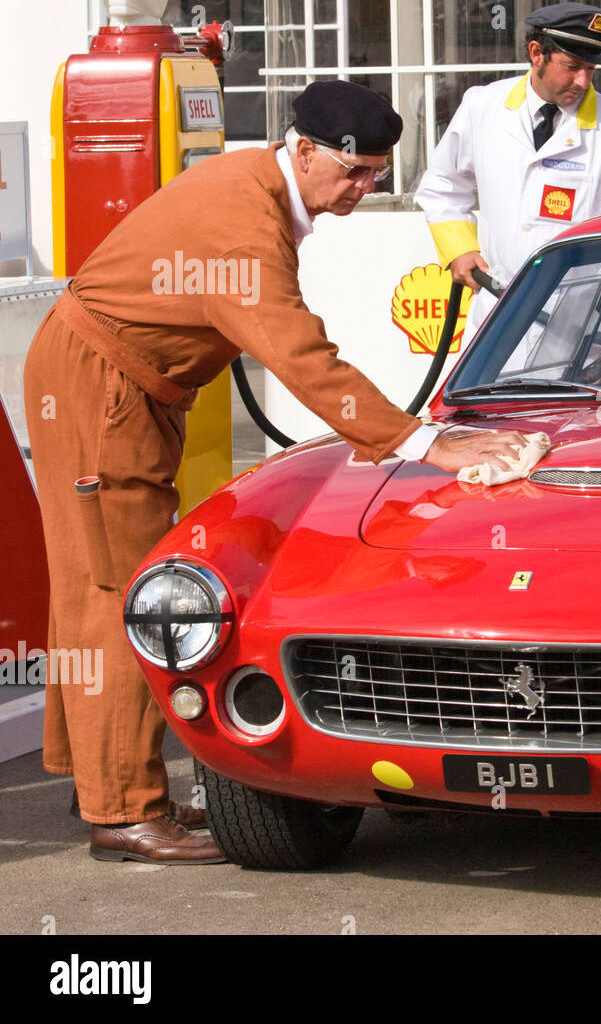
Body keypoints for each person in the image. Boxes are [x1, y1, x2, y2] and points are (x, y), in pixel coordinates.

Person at [24, 80, 528, 865]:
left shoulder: (253, 189)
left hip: (114, 379)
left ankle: (104, 780)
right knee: (124, 591)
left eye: (375, 174)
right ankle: (124, 811)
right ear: (301, 150)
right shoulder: (243, 221)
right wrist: (419, 441)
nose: (362, 189)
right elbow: (297, 354)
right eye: (352, 170)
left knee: (99, 582)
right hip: (106, 386)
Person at [415, 2, 601, 344]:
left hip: (582, 329)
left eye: (591, 69)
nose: (582, 80)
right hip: (497, 313)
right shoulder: (483, 106)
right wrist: (459, 248)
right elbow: (442, 185)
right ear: (536, 54)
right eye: (572, 66)